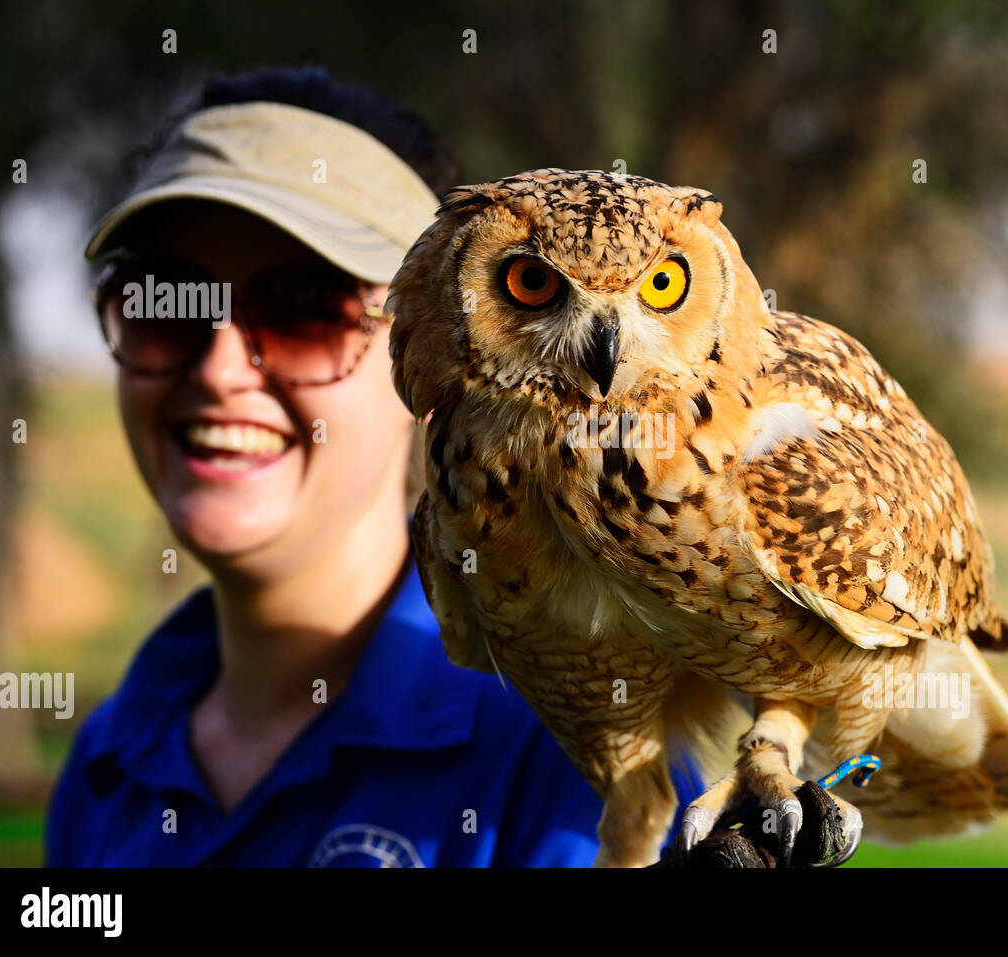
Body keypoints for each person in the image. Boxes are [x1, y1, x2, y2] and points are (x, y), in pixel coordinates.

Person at [45, 66, 700, 867]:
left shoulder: (583, 753)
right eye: (164, 300)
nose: (217, 369)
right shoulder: (107, 765)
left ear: (433, 355)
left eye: (302, 308)